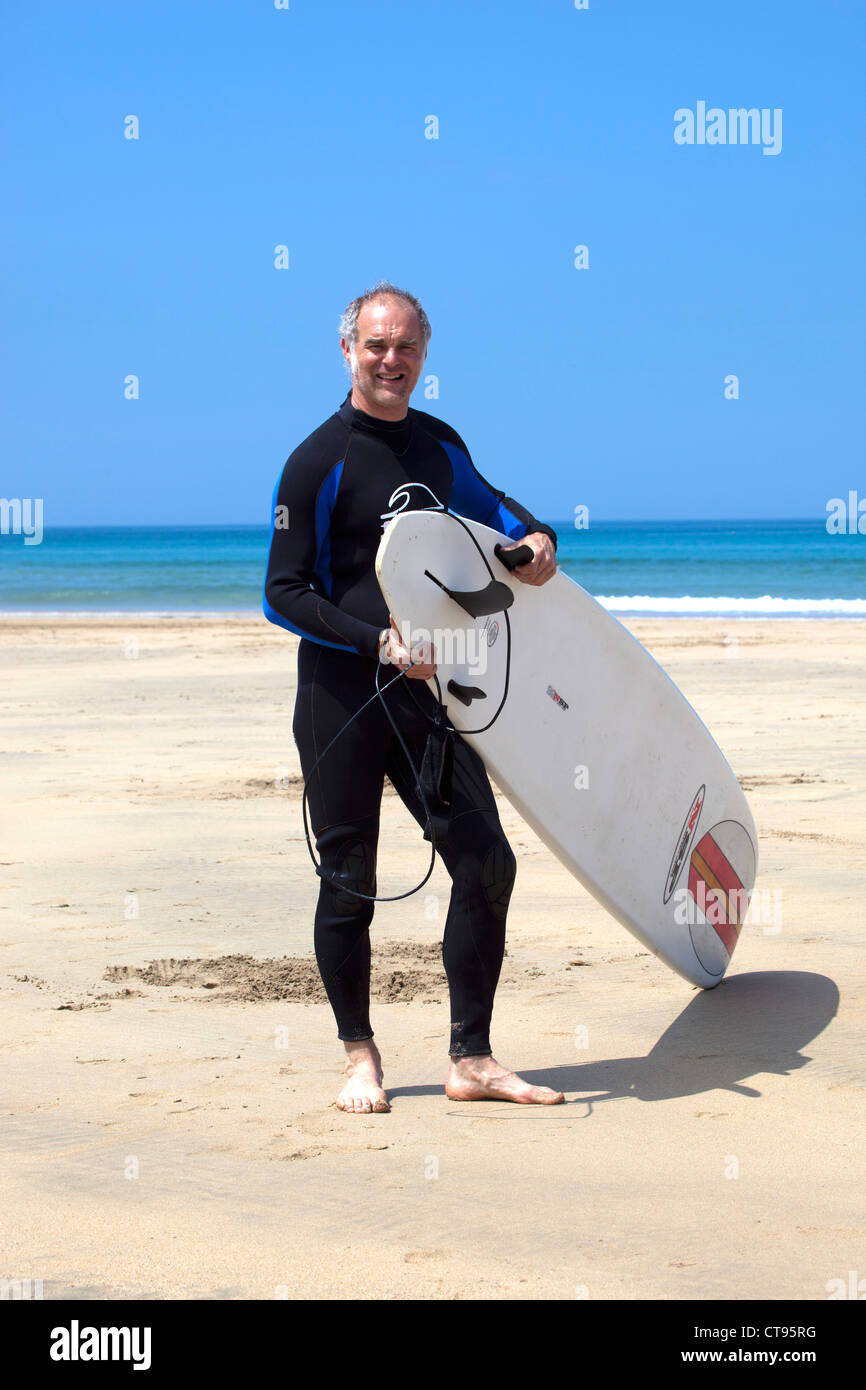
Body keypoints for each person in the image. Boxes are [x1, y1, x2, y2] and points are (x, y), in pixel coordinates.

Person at [264, 281, 564, 1113]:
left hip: (431, 698)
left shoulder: (437, 445)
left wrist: (538, 541)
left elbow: (499, 511)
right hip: (342, 697)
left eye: (405, 347)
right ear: (348, 350)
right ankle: (359, 1055)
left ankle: (471, 1058)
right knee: (349, 880)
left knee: (486, 862)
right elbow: (281, 593)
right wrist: (377, 641)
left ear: (423, 354)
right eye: (375, 345)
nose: (389, 360)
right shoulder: (317, 459)